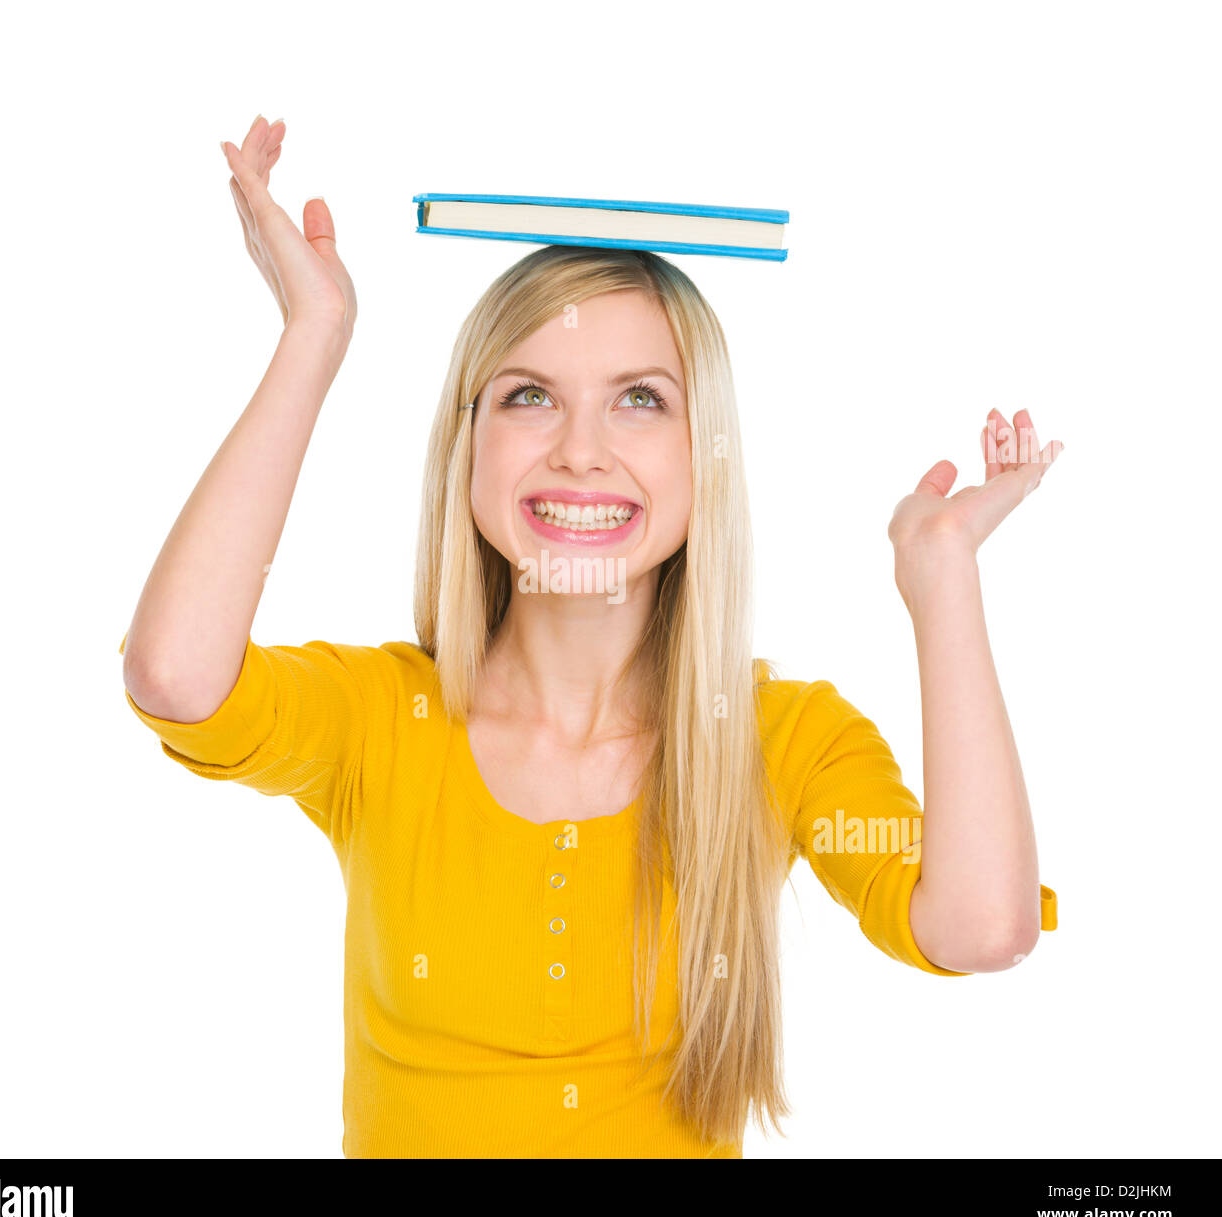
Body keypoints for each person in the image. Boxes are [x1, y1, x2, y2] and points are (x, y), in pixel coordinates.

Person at [120, 114, 1062, 1159]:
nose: (579, 451)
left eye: (640, 403)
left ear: (704, 458)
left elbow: (980, 927)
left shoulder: (779, 741)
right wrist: (313, 335)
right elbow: (174, 673)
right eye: (529, 397)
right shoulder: (383, 720)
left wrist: (942, 578)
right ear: (467, 443)